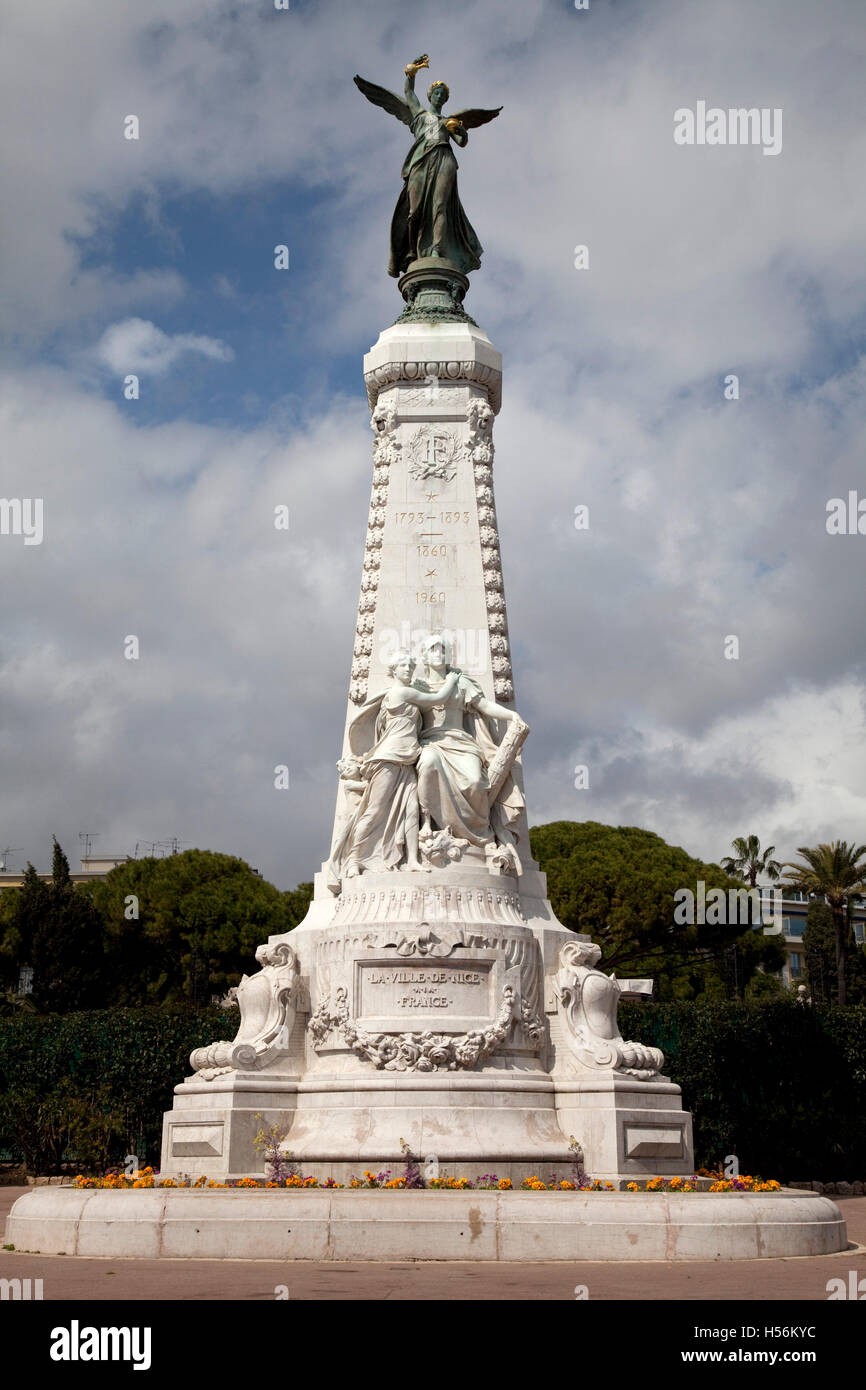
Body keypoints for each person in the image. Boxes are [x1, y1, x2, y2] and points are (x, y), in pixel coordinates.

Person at [328, 651, 459, 886]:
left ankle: (410, 860)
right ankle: (353, 860)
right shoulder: (400, 692)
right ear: (394, 671)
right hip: (389, 758)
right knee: (374, 810)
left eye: (410, 666)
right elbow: (439, 698)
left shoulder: (406, 693)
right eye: (403, 667)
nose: (408, 670)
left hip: (407, 759)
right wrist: (451, 678)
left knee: (411, 810)